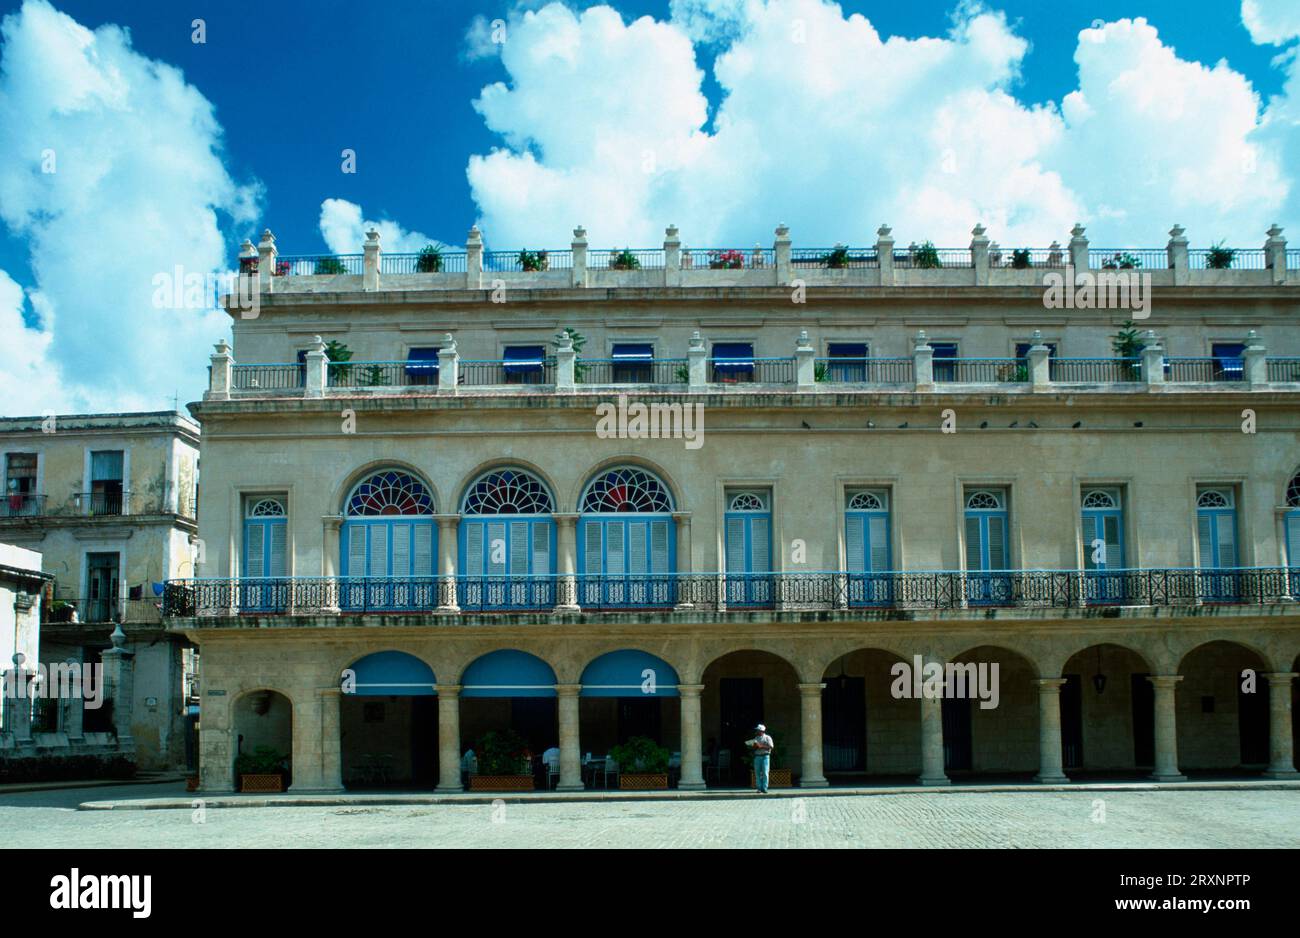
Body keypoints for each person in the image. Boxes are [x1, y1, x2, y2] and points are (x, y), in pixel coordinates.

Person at [745, 724, 774, 793]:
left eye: (758, 730)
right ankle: (759, 788)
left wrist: (761, 746)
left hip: (765, 756)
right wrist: (753, 746)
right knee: (757, 773)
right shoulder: (756, 738)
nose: (757, 731)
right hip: (757, 756)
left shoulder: (767, 737)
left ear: (762, 731)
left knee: (765, 773)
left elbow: (771, 746)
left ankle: (764, 788)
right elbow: (754, 748)